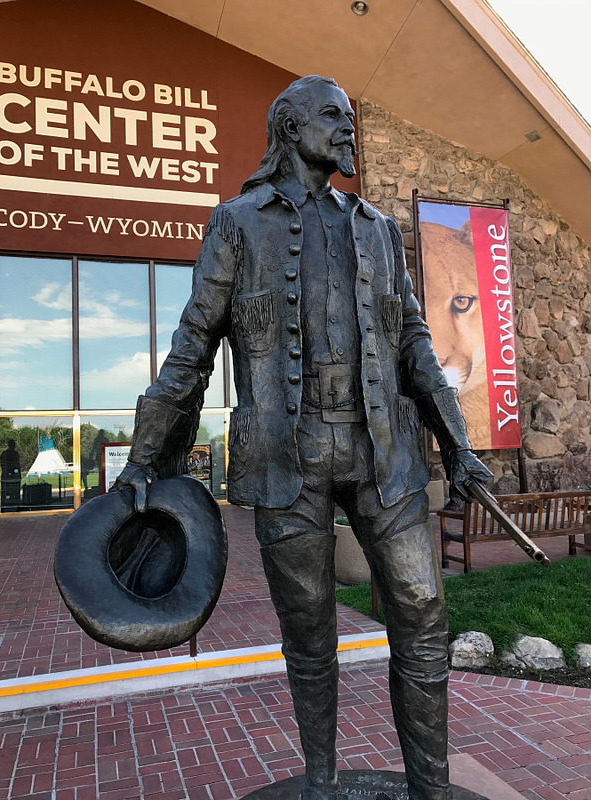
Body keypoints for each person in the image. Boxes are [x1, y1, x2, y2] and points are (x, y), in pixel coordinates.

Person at [113, 75, 492, 800]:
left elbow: (415, 343)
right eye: (332, 118)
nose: (348, 130)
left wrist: (459, 443)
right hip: (287, 462)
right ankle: (319, 784)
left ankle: (431, 790)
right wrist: (142, 458)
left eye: (350, 119)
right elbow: (192, 348)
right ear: (288, 129)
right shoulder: (236, 224)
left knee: (423, 615)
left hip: (386, 456)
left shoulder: (379, 228)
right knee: (310, 636)